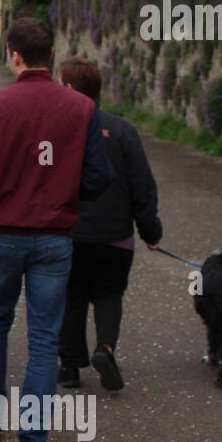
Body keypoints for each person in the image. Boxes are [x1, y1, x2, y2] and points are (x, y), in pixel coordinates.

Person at [0, 19, 114, 442]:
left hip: (4, 236)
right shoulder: (82, 108)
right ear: (51, 54)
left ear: (14, 55)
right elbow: (99, 177)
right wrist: (61, 192)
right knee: (45, 338)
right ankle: (33, 438)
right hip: (54, 237)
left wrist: (6, 196)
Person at [55, 56, 162, 392]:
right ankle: (105, 348)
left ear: (69, 88)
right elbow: (142, 185)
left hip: (68, 232)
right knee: (109, 294)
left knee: (71, 296)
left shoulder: (56, 131)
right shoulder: (122, 131)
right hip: (115, 235)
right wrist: (150, 231)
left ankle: (69, 366)